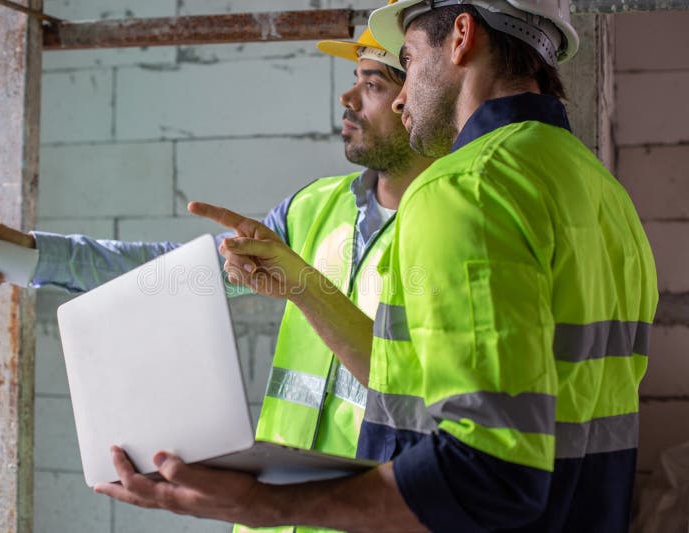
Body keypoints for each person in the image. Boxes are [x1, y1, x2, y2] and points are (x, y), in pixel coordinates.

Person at [92, 0, 659, 531]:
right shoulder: (601, 190)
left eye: (407, 61)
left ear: (461, 37)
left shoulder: (467, 188)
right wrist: (304, 287)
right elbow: (412, 386)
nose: (400, 95)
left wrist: (260, 502)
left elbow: (489, 472)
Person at [0, 16, 434, 533]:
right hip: (268, 519)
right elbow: (177, 274)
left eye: (373, 84)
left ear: (416, 100)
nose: (349, 98)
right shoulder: (313, 207)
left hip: (374, 514)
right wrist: (35, 255)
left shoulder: (459, 226)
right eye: (355, 79)